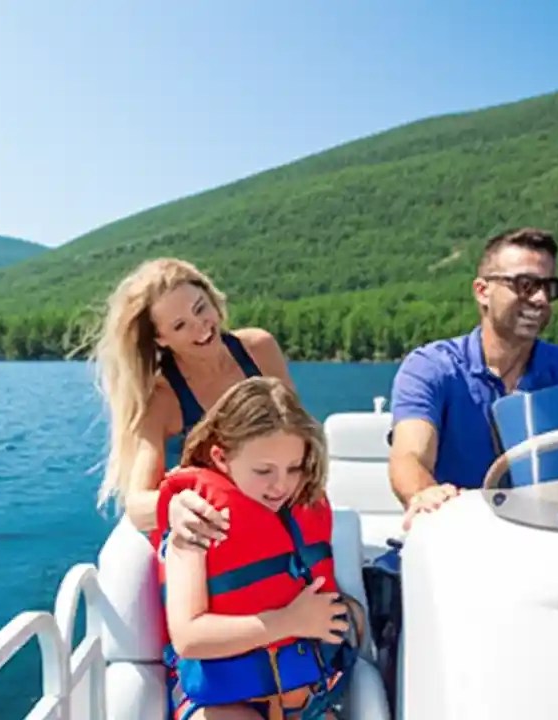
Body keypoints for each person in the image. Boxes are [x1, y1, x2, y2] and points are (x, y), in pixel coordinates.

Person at [387, 227, 558, 531]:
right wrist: (425, 493)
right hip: (459, 537)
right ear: (482, 291)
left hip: (554, 539)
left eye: (549, 287)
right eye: (525, 285)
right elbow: (409, 457)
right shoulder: (432, 368)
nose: (541, 299)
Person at [152, 377, 363, 720]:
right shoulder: (197, 524)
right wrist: (289, 621)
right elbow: (189, 638)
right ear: (221, 457)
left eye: (294, 468)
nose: (281, 485)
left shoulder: (303, 510)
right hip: (220, 705)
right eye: (264, 470)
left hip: (305, 701)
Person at [91, 257, 295, 541]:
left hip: (277, 506)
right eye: (180, 325)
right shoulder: (163, 399)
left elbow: (298, 431)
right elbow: (137, 504)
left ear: (212, 299)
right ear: (160, 339)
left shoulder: (260, 350)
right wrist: (174, 507)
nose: (201, 327)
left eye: (200, 308)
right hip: (214, 531)